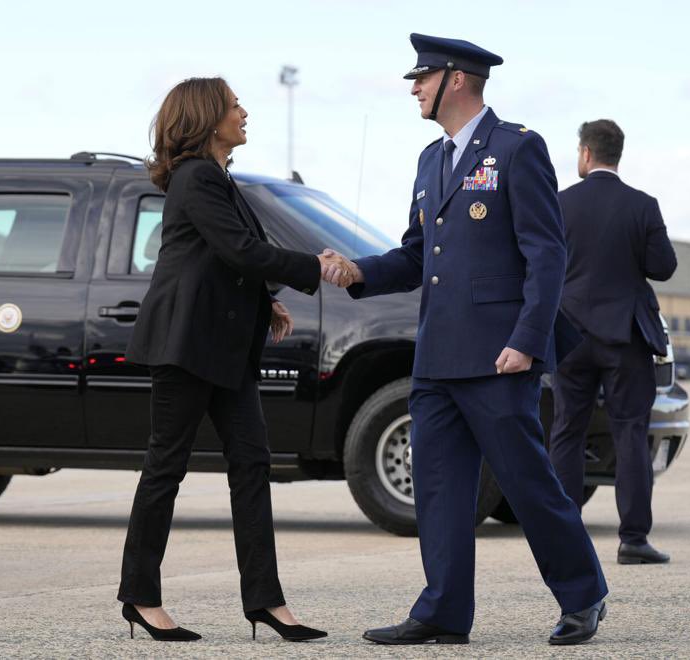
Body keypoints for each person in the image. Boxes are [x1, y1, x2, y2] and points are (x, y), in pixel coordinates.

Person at [322, 35, 608, 646]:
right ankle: (444, 611)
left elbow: (547, 254)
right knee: (439, 489)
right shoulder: (432, 160)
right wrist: (360, 271)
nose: (414, 89)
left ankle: (584, 594)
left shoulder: (516, 149)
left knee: (526, 482)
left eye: (421, 79)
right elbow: (417, 254)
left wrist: (529, 340)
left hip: (500, 355)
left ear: (455, 79)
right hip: (437, 354)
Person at [117, 77, 335, 642]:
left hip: (224, 347)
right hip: (186, 345)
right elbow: (240, 250)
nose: (244, 112)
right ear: (207, 116)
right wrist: (316, 266)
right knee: (166, 467)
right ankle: (140, 597)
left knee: (252, 464)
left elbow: (226, 256)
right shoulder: (197, 177)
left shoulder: (218, 179)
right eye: (235, 105)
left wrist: (266, 301)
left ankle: (265, 600)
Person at [548, 119, 677, 565]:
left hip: (570, 336)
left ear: (585, 153)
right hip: (625, 336)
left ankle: (564, 534)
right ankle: (634, 540)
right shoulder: (642, 205)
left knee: (567, 429)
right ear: (617, 154)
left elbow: (539, 263)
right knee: (630, 433)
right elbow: (663, 267)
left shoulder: (558, 204)